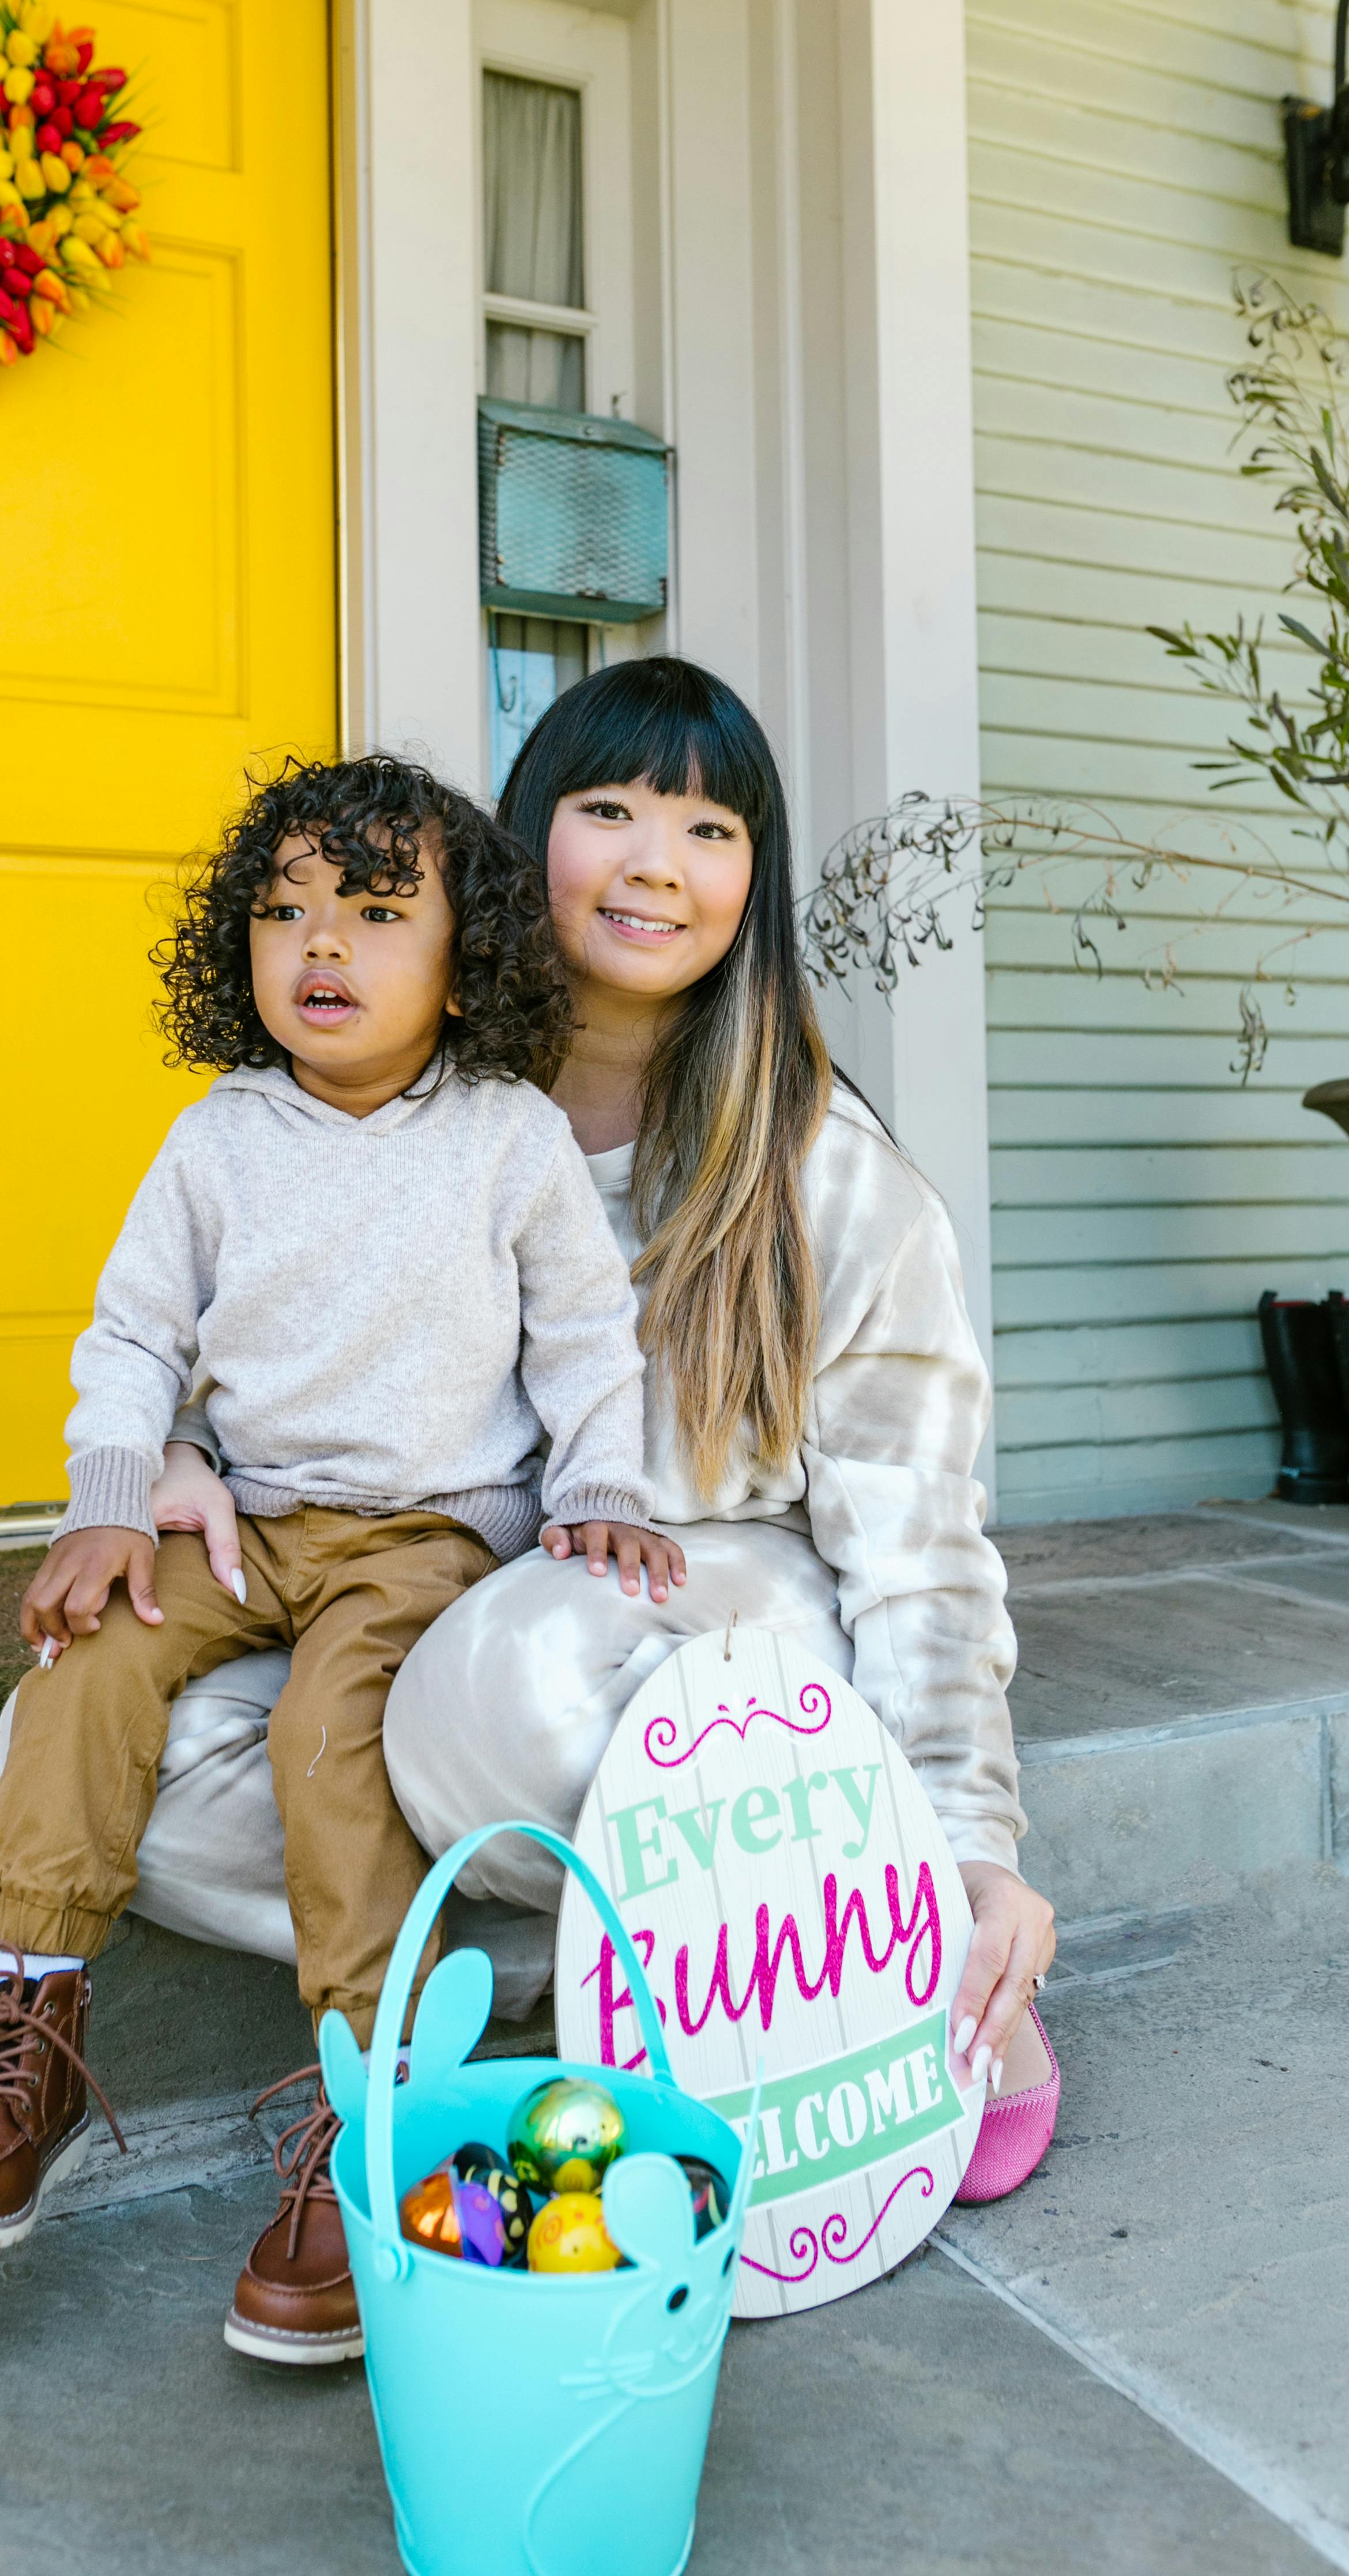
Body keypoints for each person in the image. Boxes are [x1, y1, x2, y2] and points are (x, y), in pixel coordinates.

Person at [148, 658, 1060, 2293]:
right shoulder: (366, 1114)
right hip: (410, 1582)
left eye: (709, 827)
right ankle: (604, 1980)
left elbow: (920, 1550)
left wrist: (964, 1851)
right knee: (101, 1747)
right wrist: (181, 1451)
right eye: (609, 809)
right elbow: (243, 1355)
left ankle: (867, 1942)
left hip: (694, 1616)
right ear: (523, 843)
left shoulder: (829, 1179)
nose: (655, 862)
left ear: (748, 886)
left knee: (500, 1675)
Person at [0, 753, 682, 2369]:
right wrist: (112, 1497)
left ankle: (375, 2107)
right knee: (92, 1669)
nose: (323, 948)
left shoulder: (507, 1139)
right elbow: (132, 1335)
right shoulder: (218, 1138)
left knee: (330, 1726)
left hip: (429, 1532)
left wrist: (603, 1485)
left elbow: (591, 1339)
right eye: (286, 913)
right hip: (240, 1512)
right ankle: (27, 2022)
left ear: (465, 965)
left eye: (376, 916)